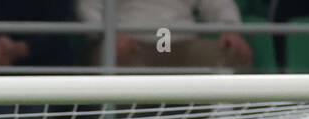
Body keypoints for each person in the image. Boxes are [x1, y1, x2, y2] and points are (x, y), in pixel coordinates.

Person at [77, 0, 252, 71]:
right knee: (108, 57)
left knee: (231, 55)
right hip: (128, 44)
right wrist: (109, 38)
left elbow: (218, 4)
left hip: (184, 43)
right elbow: (89, 9)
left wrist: (230, 29)